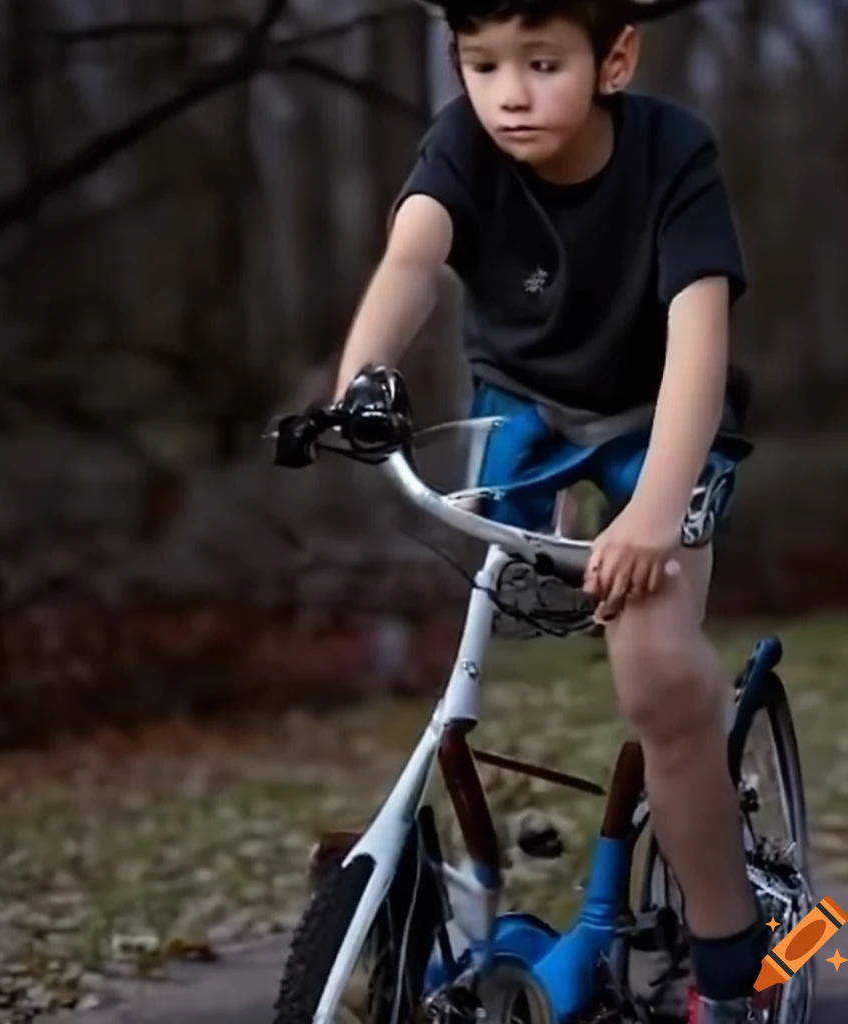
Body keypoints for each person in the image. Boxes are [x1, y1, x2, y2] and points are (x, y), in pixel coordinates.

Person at [328, 1, 769, 1021]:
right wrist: (358, 385)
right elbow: (413, 258)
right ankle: (456, 896)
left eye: (540, 62)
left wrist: (651, 513)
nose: (510, 95)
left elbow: (698, 342)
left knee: (655, 669)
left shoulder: (672, 153)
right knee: (471, 652)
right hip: (524, 410)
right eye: (481, 65)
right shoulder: (462, 145)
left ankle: (729, 958)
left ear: (615, 57)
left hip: (659, 419)